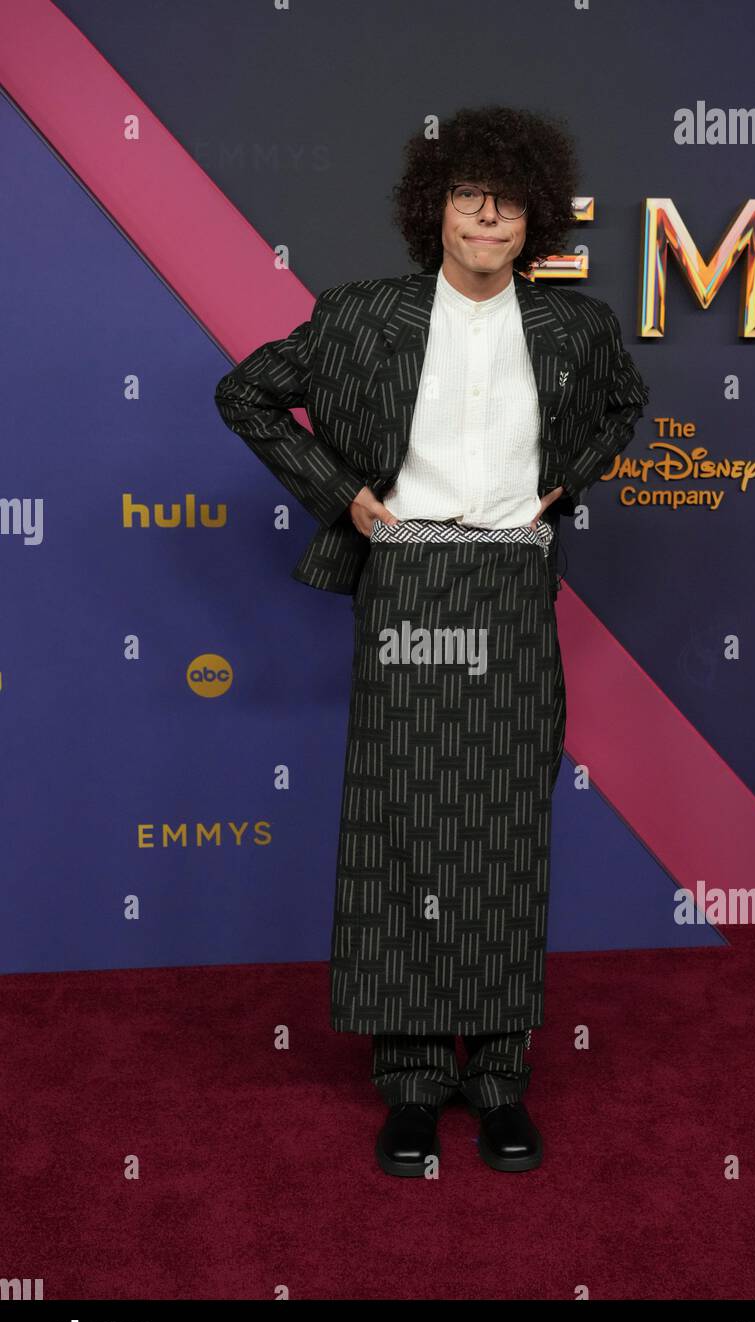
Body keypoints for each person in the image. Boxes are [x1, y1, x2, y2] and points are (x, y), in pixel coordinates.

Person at [214, 104, 649, 1177]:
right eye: (467, 197)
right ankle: (409, 1083)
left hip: (507, 583)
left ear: (530, 220)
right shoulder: (361, 315)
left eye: (504, 203)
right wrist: (345, 498)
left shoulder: (575, 330)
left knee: (504, 828)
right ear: (435, 210)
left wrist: (565, 486)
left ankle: (497, 1077)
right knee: (397, 829)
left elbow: (623, 407)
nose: (485, 216)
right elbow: (247, 393)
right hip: (408, 578)